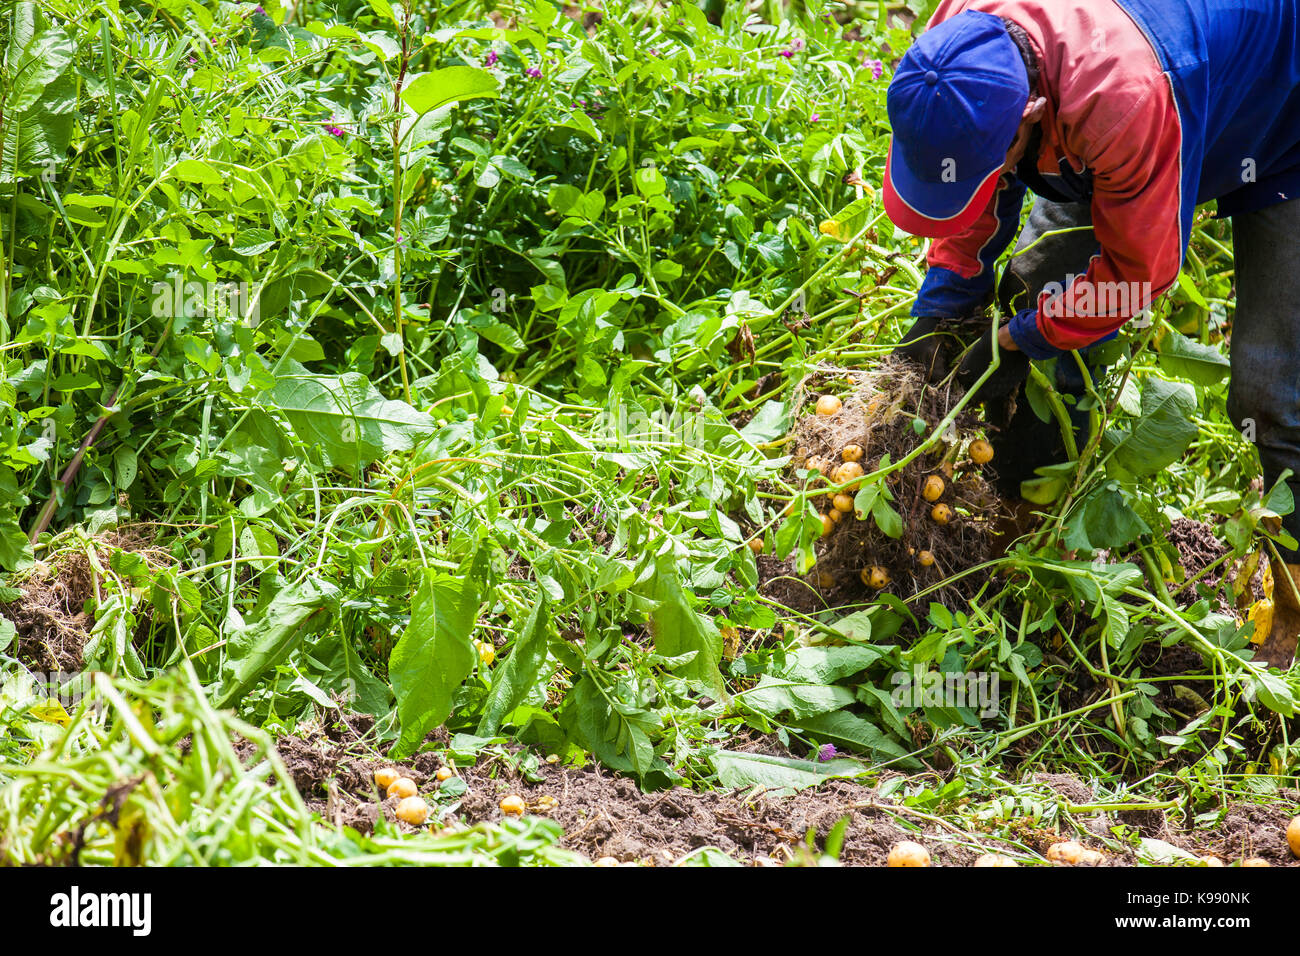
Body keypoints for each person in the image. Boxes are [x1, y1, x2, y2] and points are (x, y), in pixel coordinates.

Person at [881, 0, 1300, 668]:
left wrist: (1018, 340)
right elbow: (969, 191)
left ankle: (1295, 607)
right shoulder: (948, 55)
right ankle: (1027, 542)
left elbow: (1137, 277)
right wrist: (944, 307)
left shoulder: (1124, 99)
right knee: (1042, 292)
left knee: (1271, 394)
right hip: (1122, 106)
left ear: (1028, 119)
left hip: (1280, 112)